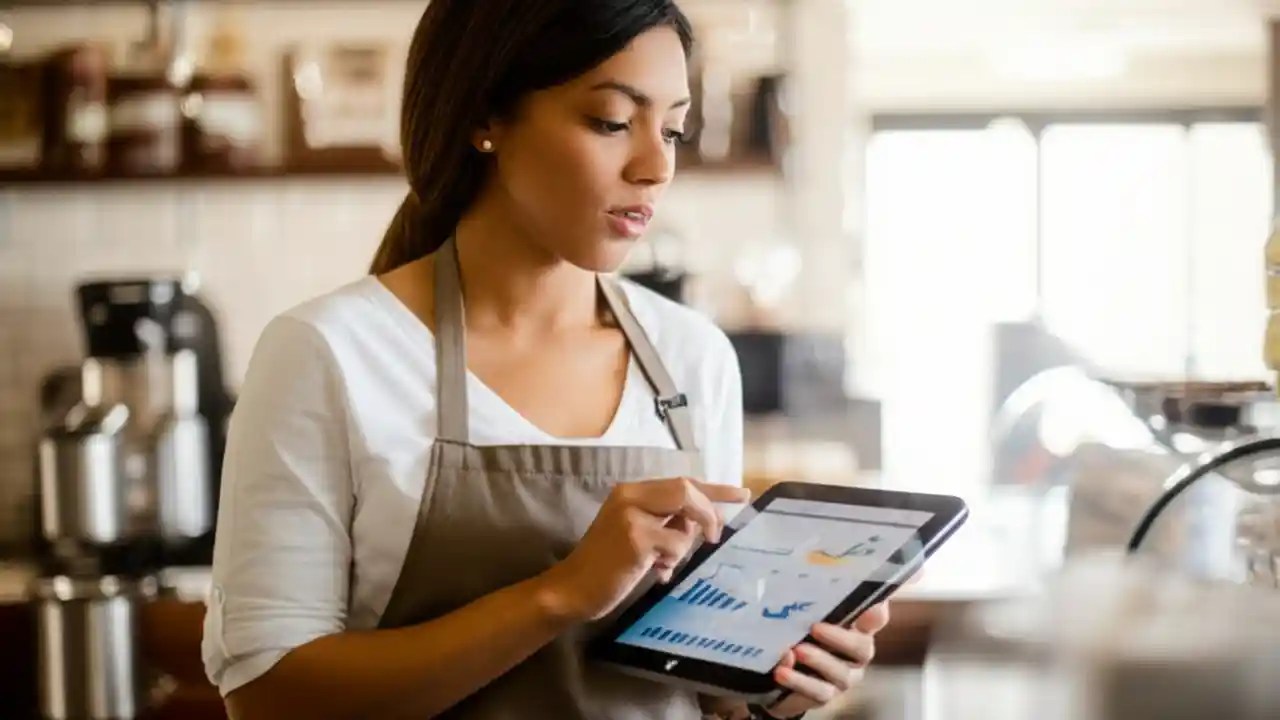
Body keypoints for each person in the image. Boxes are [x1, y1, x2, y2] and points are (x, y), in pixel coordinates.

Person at [200, 1, 890, 718]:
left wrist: (775, 687)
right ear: (484, 117)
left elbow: (705, 695)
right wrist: (559, 595)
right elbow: (265, 695)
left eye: (673, 130)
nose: (656, 167)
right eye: (612, 122)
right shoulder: (327, 353)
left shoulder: (692, 356)